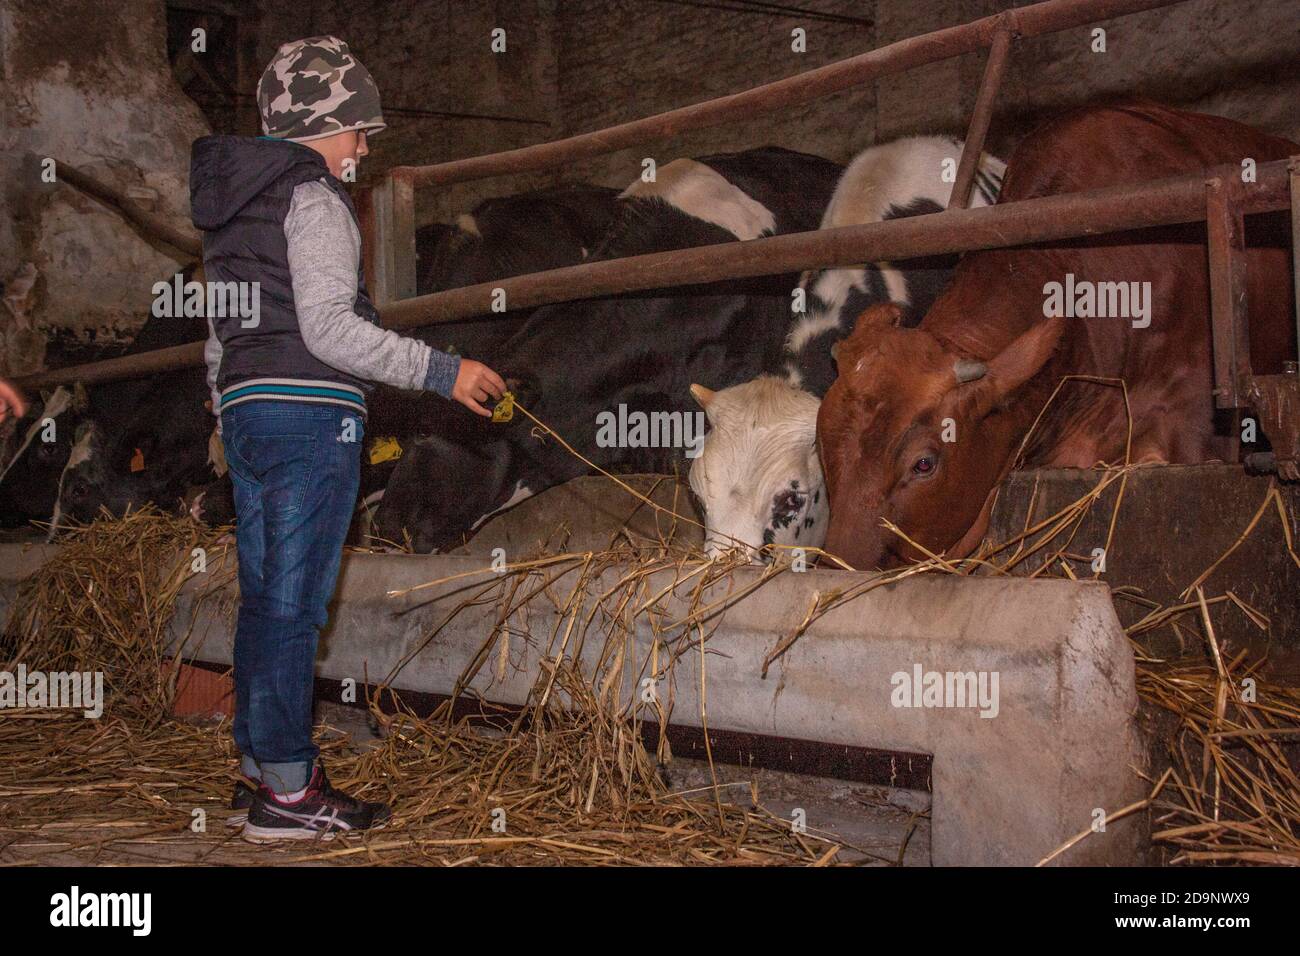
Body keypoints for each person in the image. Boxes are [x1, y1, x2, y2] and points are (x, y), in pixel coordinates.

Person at [189, 35, 505, 842]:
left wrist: (228, 412)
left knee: (265, 600)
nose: (364, 145)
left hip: (253, 412)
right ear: (324, 123)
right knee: (295, 607)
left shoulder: (232, 212)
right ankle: (290, 797)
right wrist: (443, 370)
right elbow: (329, 330)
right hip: (308, 412)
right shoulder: (314, 199)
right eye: (357, 127)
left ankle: (262, 768)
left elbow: (221, 338)